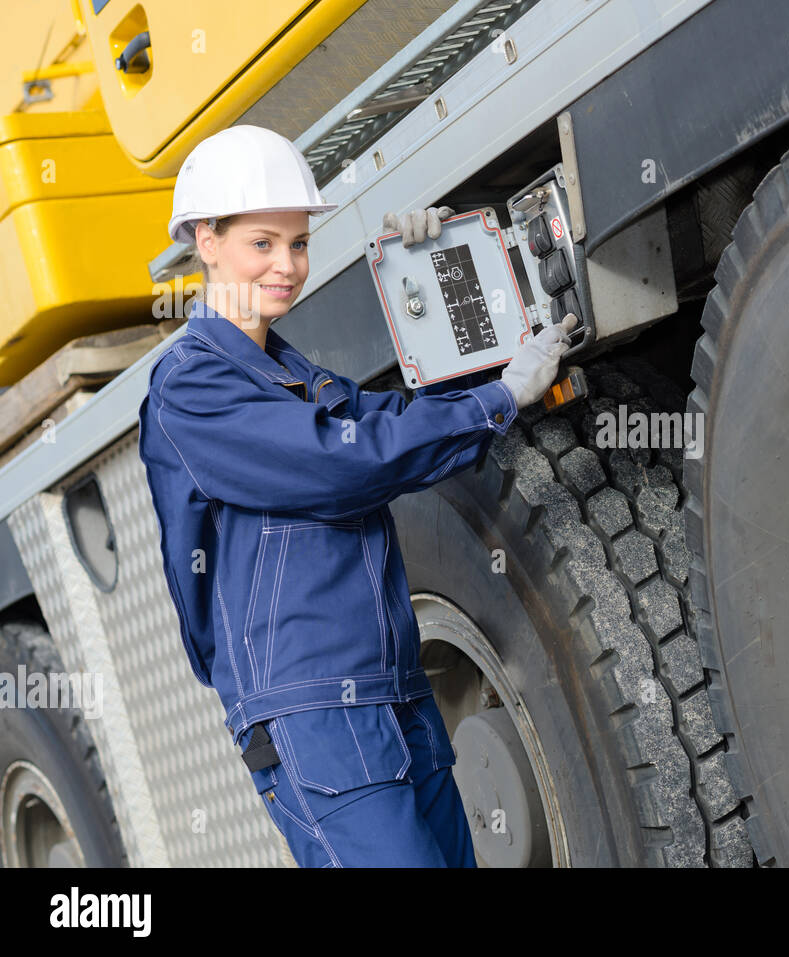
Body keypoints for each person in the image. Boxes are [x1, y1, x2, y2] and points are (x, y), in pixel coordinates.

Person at [137, 124, 576, 867]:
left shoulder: (292, 374)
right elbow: (343, 463)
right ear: (205, 241)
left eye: (298, 244)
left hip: (392, 690)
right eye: (262, 244)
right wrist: (494, 399)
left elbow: (393, 423)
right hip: (311, 712)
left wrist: (436, 266)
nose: (287, 265)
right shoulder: (191, 387)